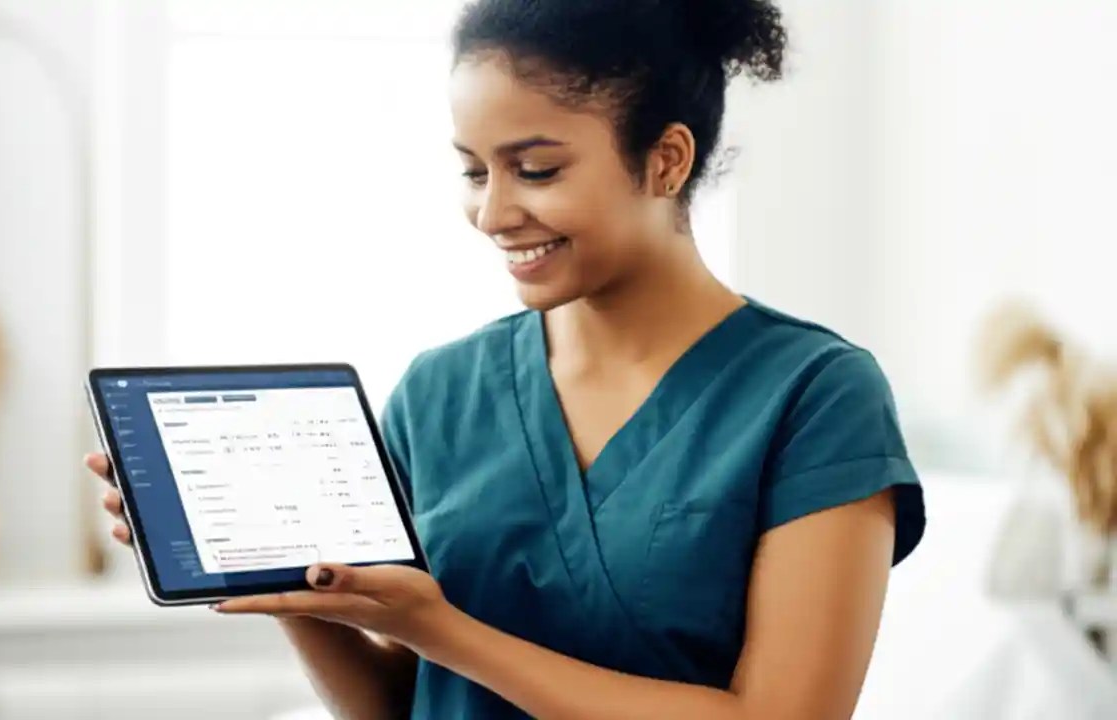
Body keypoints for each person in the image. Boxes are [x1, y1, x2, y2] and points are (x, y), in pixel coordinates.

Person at [88, 1, 926, 717]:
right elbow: (400, 705)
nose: (492, 213)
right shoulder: (438, 394)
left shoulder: (814, 396)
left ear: (666, 159)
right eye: (471, 170)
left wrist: (442, 630)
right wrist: (290, 589)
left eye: (535, 169)